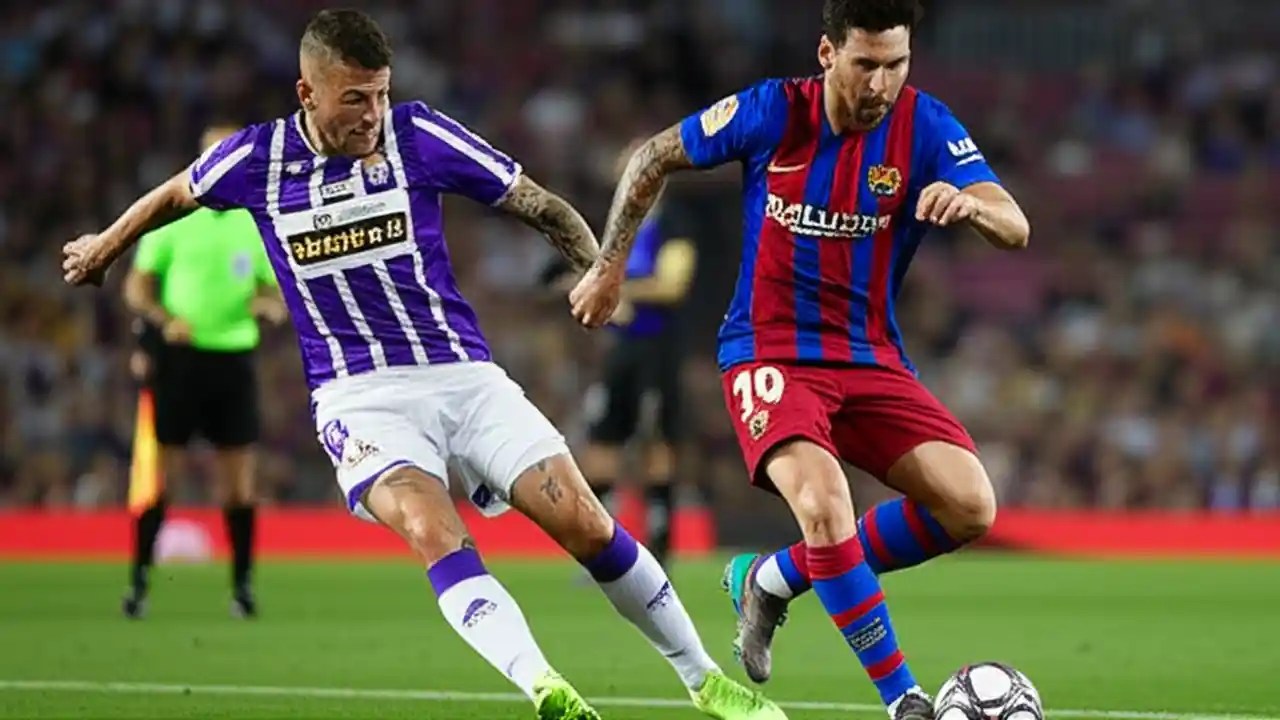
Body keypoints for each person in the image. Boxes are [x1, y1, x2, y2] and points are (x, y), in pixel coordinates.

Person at [63, 9, 785, 720]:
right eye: (355, 99)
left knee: (589, 526)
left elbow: (541, 205)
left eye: (379, 93)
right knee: (431, 528)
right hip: (358, 399)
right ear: (307, 94)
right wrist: (103, 247)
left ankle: (706, 682)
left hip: (463, 378)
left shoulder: (419, 133)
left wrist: (598, 272)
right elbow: (177, 191)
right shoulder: (258, 158)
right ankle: (548, 692)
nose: (373, 113)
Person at [569, 1, 1031, 718]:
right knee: (823, 505)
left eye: (897, 65)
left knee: (970, 504)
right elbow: (653, 156)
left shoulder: (926, 125)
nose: (882, 84)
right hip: (769, 350)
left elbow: (1015, 224)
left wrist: (973, 208)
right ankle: (904, 700)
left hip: (869, 356)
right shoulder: (773, 111)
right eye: (866, 65)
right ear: (827, 54)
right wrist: (608, 267)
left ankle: (774, 577)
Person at [119, 124, 286, 620]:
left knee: (237, 484)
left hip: (233, 359)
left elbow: (274, 290)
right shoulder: (173, 219)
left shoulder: (252, 223)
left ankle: (242, 588)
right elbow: (138, 286)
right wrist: (164, 321)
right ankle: (140, 582)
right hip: (179, 361)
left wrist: (269, 304)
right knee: (162, 480)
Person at [546, 141, 697, 569]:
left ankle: (661, 544)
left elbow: (673, 285)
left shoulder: (675, 225)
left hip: (659, 346)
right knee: (603, 439)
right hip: (620, 347)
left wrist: (614, 288)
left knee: (655, 439)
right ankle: (604, 545)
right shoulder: (615, 228)